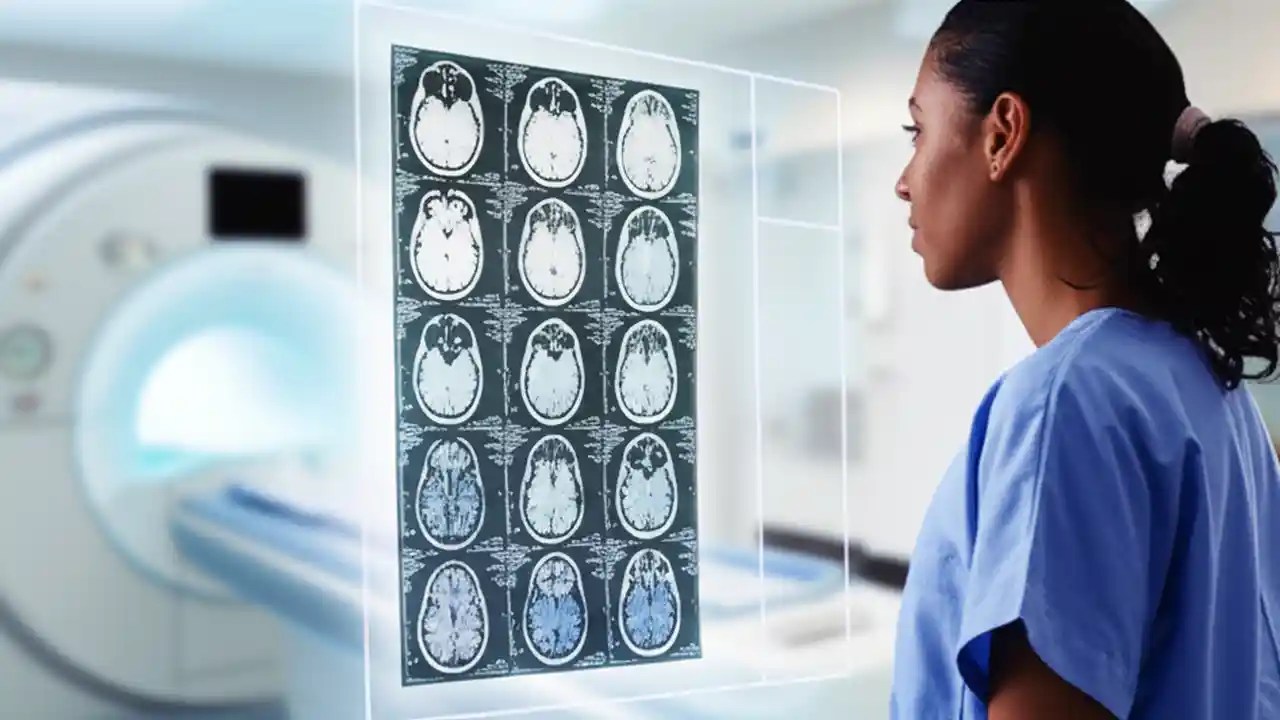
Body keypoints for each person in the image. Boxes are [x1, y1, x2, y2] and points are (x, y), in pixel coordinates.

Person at [889, 1, 1280, 718]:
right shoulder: (1208, 389)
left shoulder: (1068, 402)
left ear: (1002, 134)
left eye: (917, 131)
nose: (904, 179)